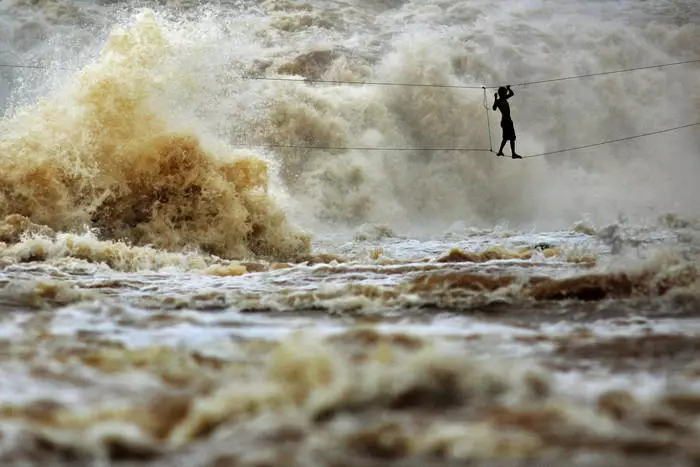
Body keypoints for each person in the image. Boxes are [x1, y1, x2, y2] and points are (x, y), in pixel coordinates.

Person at [492, 85, 521, 159]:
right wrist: (509, 88)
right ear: (504, 93)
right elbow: (512, 94)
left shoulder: (498, 100)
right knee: (512, 138)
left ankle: (500, 151)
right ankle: (513, 154)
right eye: (505, 92)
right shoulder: (503, 98)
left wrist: (495, 98)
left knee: (505, 137)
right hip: (507, 121)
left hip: (504, 121)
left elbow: (494, 108)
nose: (506, 93)